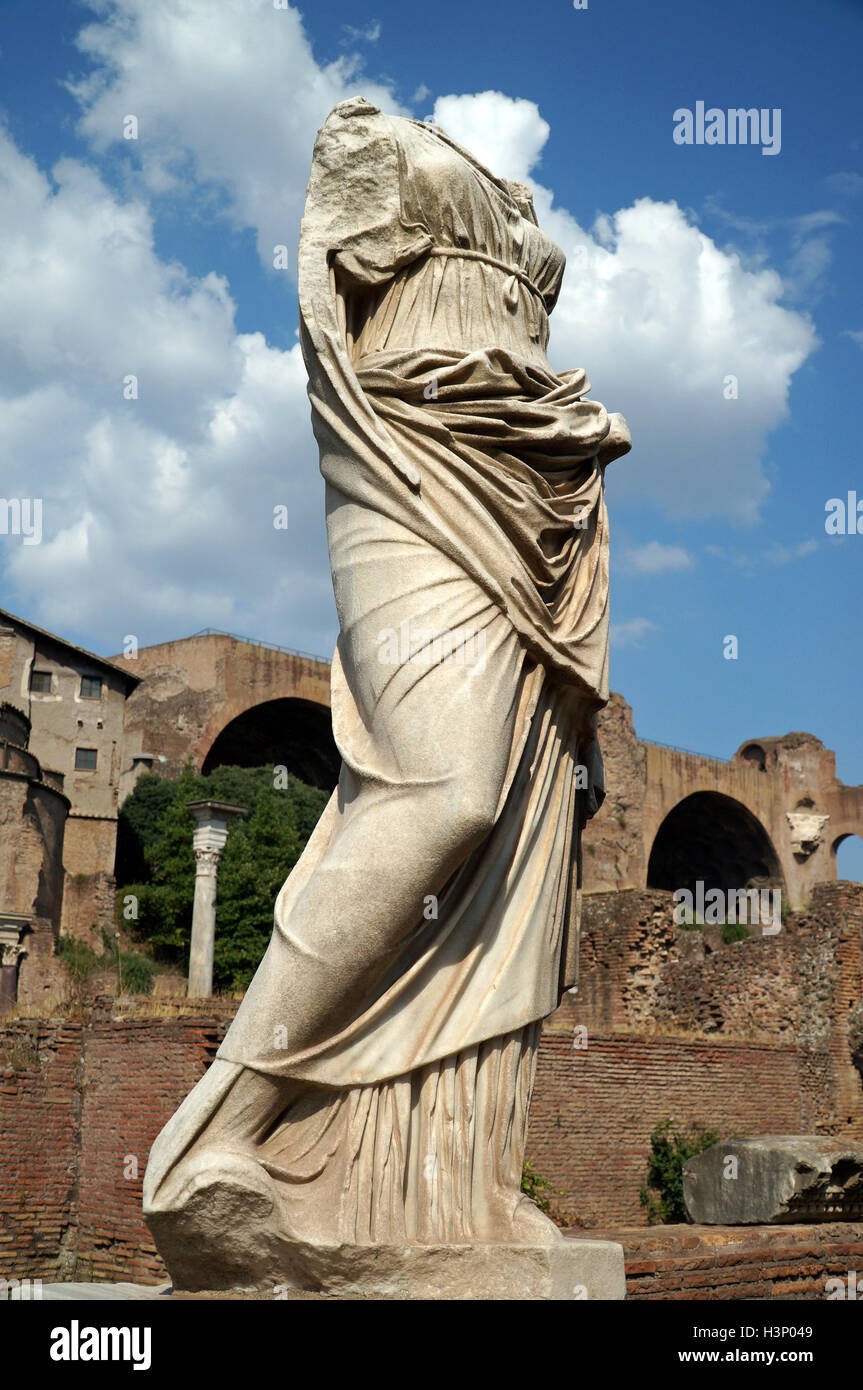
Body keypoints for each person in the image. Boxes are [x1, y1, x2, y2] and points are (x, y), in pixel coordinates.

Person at [143, 98, 631, 1280]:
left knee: (519, 825)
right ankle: (222, 1124)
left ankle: (444, 1188)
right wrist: (352, 433)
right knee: (444, 789)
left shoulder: (497, 187)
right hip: (414, 442)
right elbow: (320, 299)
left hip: (534, 471)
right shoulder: (370, 131)